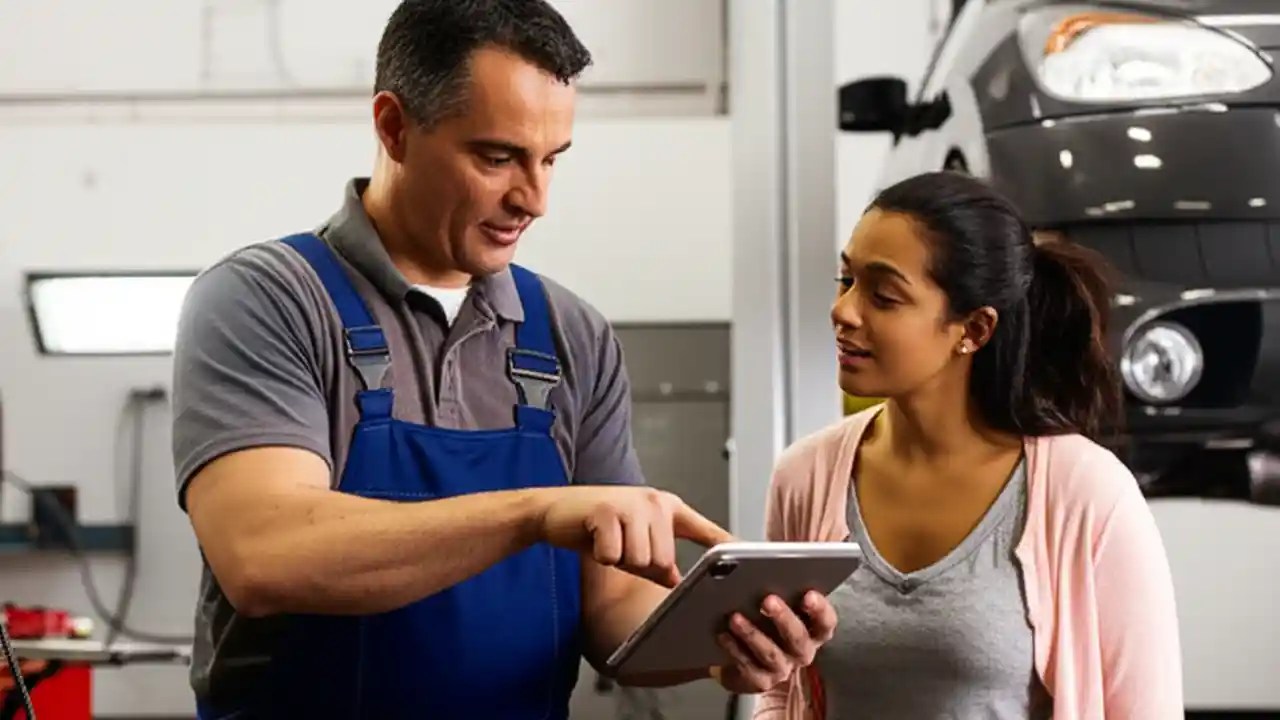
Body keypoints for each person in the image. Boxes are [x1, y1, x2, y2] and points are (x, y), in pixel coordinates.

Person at [170, 1, 837, 718]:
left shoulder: (570, 334)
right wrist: (537, 513)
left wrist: (718, 644)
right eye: (498, 157)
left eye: (551, 159)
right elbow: (264, 554)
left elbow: (610, 601)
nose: (535, 198)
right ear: (394, 127)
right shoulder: (268, 302)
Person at [753, 171, 1184, 719]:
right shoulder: (806, 475)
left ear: (974, 330)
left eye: (883, 296)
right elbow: (779, 689)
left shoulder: (1087, 493)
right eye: (846, 280)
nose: (844, 311)